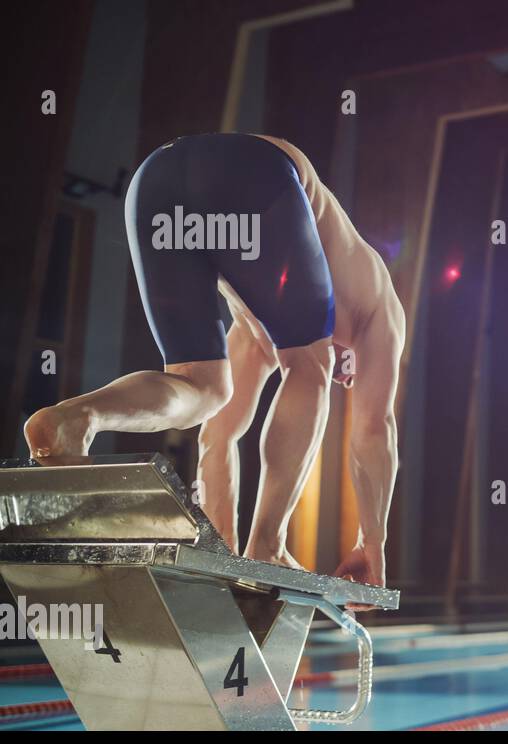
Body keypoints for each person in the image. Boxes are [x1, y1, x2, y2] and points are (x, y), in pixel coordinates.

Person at [24, 133, 402, 589]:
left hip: (157, 179)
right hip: (255, 172)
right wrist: (372, 544)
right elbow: (373, 431)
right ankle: (268, 546)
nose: (348, 380)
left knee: (203, 388)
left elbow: (218, 436)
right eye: (354, 376)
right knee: (309, 367)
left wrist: (220, 555)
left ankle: (77, 417)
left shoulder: (256, 329)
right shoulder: (379, 307)